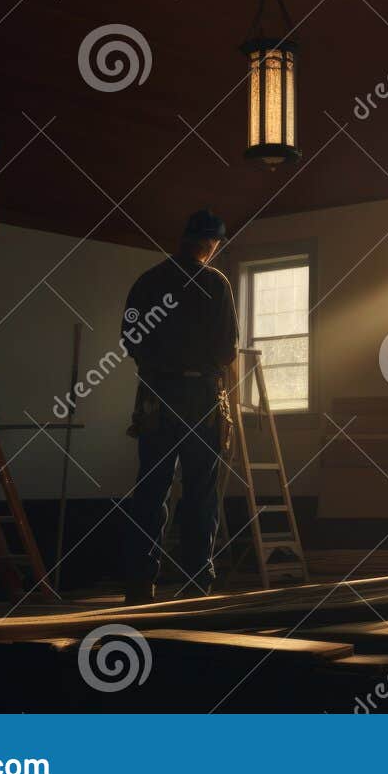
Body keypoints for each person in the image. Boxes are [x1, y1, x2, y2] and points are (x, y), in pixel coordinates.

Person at [121, 208, 238, 604]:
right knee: (200, 489)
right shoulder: (215, 284)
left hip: (155, 396)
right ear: (211, 244)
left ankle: (139, 582)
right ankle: (196, 583)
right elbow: (227, 350)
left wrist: (160, 364)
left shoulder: (147, 282)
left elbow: (130, 340)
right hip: (200, 398)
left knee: (151, 488)